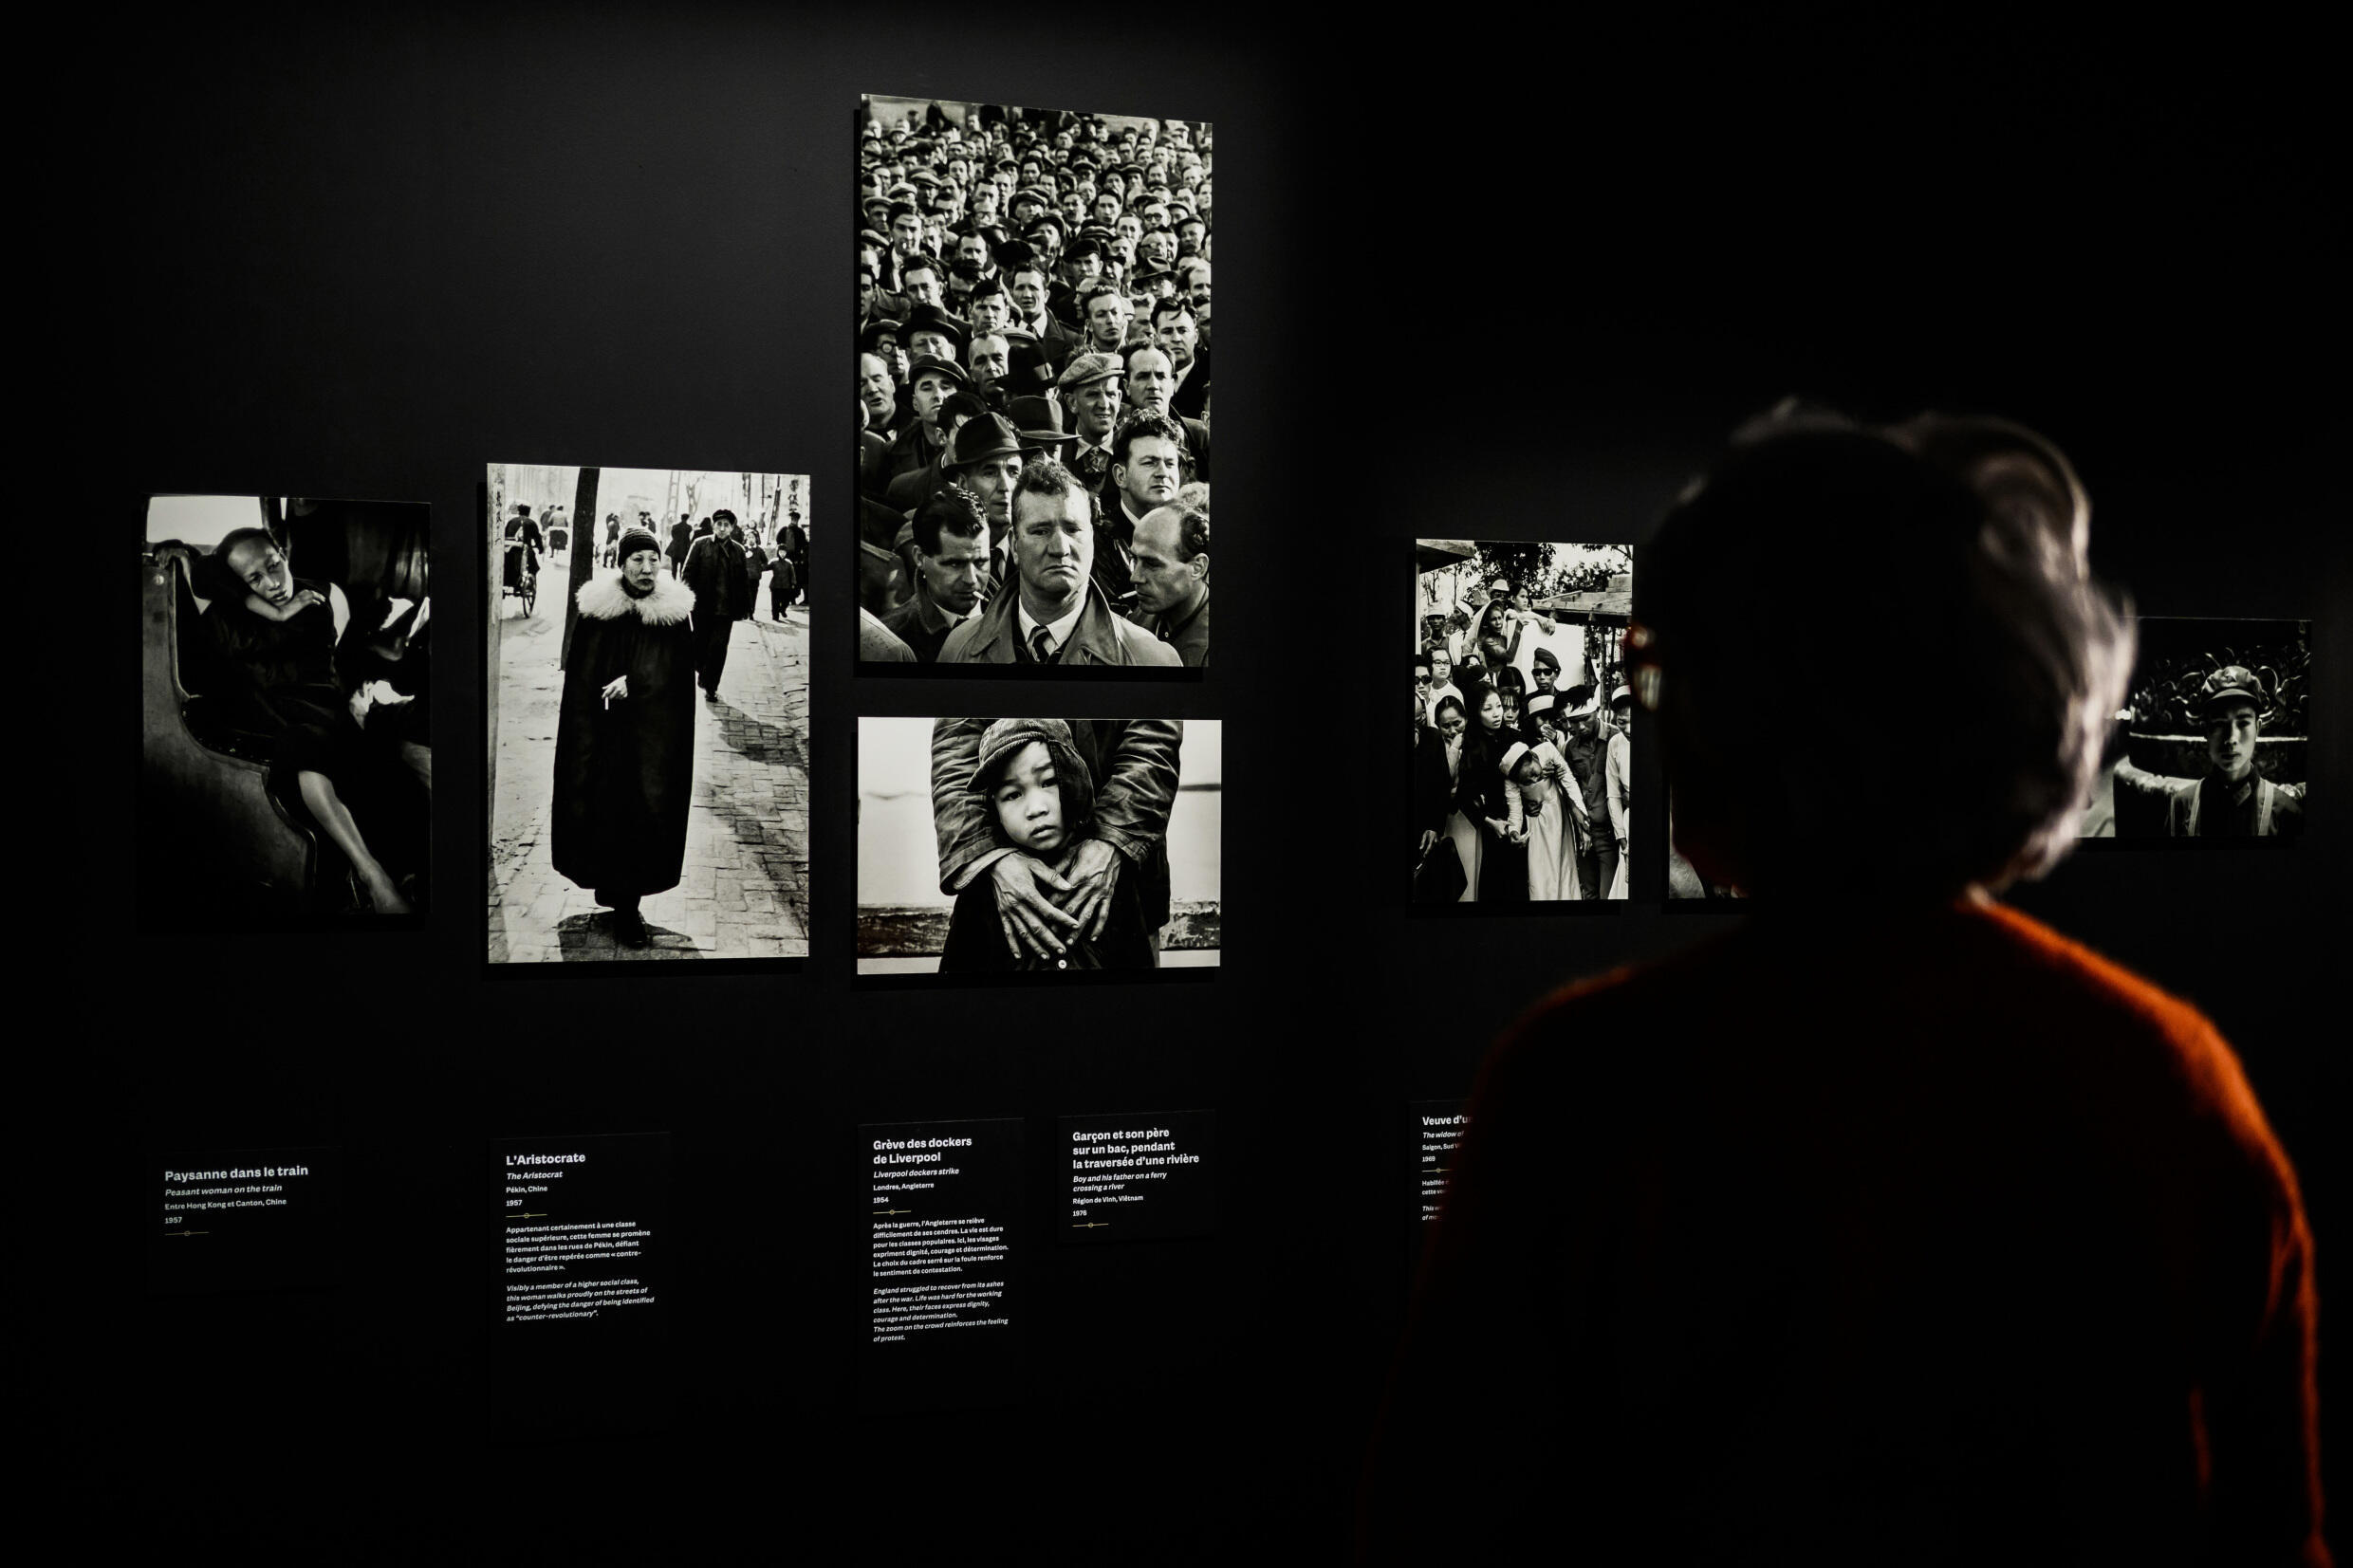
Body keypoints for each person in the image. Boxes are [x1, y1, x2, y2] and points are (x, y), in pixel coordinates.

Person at [1362, 409, 2325, 1562]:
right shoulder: (2167, 1082)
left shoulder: (1583, 1087)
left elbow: (1439, 1521)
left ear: (1740, 717)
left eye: (1663, 672)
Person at [203, 526, 424, 914]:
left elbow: (255, 642)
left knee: (378, 767)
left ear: (284, 552)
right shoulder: (229, 615)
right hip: (273, 723)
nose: (273, 583)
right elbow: (205, 577)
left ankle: (392, 874)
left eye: (274, 565)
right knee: (300, 744)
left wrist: (273, 608)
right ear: (236, 582)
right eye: (255, 578)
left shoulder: (313, 603)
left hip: (322, 713)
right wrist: (270, 608)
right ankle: (372, 875)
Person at [930, 715, 1180, 968]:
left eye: (1050, 782)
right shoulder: (980, 894)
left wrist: (1114, 838)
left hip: (1126, 862)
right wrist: (986, 853)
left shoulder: (1122, 890)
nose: (1036, 808)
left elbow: (1154, 736)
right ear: (993, 802)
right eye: (1012, 794)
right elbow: (955, 744)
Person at [550, 527, 697, 949]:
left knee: (642, 811)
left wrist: (638, 682)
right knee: (602, 811)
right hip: (601, 737)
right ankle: (615, 895)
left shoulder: (672, 614)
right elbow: (579, 672)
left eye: (654, 559)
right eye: (638, 560)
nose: (648, 568)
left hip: (651, 739)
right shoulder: (598, 610)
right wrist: (600, 692)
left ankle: (628, 908)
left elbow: (678, 675)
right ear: (622, 563)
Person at [938, 457, 1180, 668]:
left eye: (1073, 529)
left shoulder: (1150, 659)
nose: (1060, 548)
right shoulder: (959, 649)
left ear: (1093, 539)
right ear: (1014, 545)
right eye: (1041, 531)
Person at [2112, 664, 2307, 836]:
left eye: (2243, 723)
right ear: (2205, 730)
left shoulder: (2285, 812)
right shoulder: (2182, 806)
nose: (2231, 738)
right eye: (2220, 724)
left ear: (2258, 728)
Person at [883, 486, 990, 663]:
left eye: (981, 562)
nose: (971, 580)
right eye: (955, 564)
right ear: (919, 558)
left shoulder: (1021, 614)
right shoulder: (893, 641)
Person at [681, 508, 753, 698]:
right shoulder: (699, 544)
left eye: (726, 525)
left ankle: (711, 686)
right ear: (713, 526)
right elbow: (687, 573)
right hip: (702, 607)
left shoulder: (738, 550)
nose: (722, 528)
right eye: (719, 524)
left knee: (719, 648)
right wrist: (686, 599)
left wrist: (746, 606)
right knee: (700, 646)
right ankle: (703, 672)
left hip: (726, 609)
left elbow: (743, 580)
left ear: (732, 528)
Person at [1128, 499, 1210, 667]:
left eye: (1152, 564)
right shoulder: (1140, 617)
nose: (1135, 577)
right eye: (1135, 559)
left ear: (1197, 567)